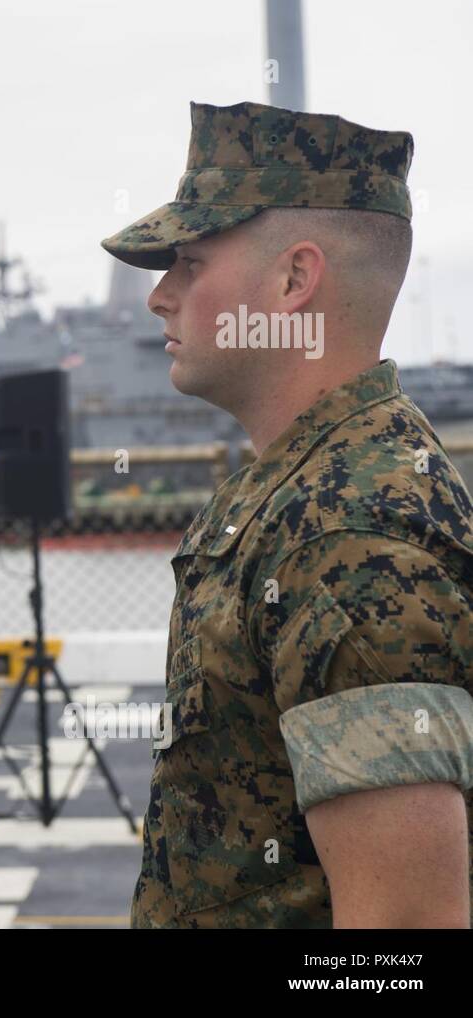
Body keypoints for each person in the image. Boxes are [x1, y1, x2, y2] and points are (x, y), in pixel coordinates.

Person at [101, 100, 473, 928]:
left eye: (190, 264)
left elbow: (402, 939)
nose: (161, 297)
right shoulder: (298, 492)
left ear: (294, 279)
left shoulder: (350, 537)